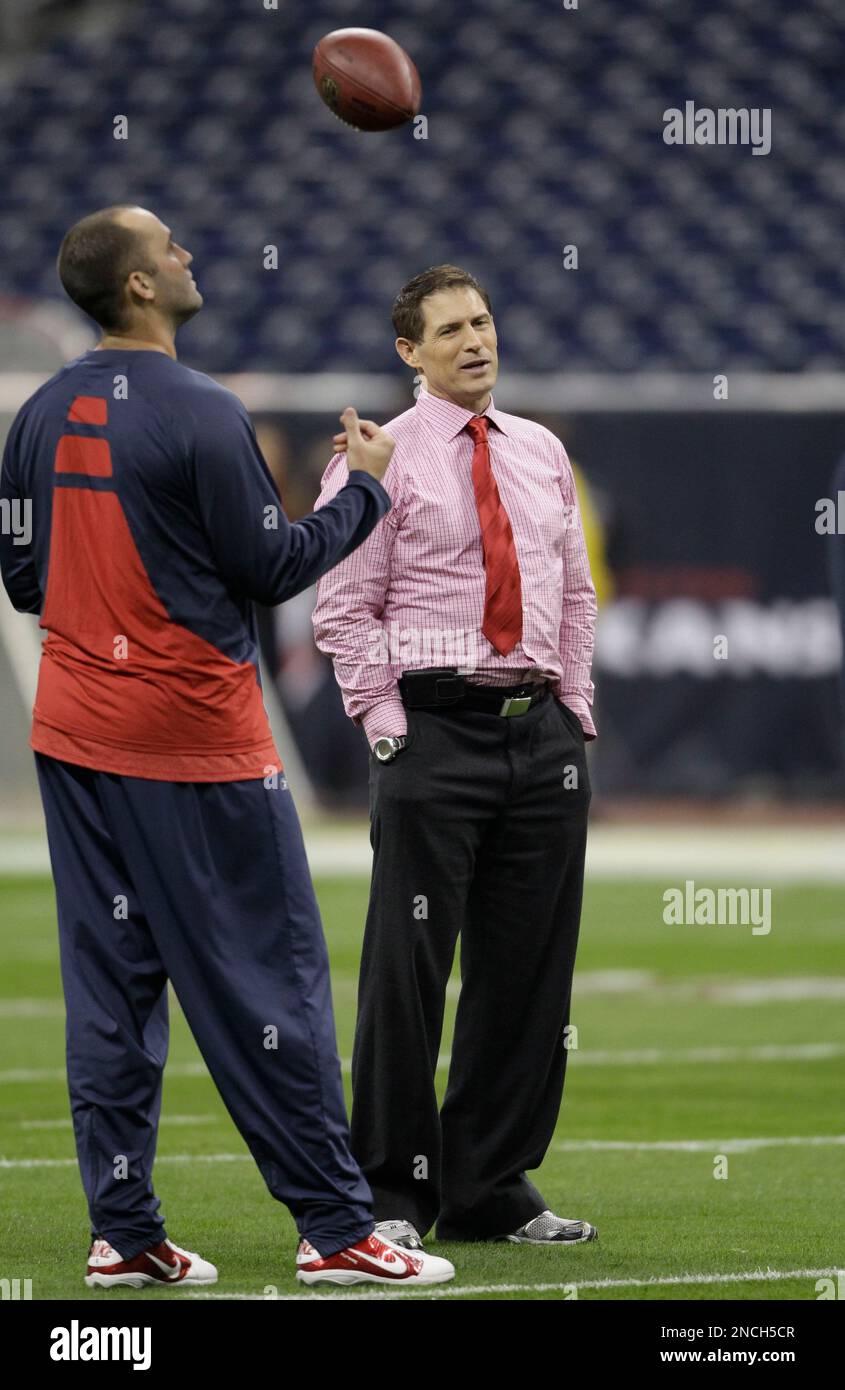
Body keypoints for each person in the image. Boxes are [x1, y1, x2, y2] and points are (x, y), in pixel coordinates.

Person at [0, 205, 454, 1289]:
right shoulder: (204, 411)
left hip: (72, 733)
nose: (188, 253)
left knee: (111, 990)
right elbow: (272, 567)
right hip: (194, 740)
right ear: (141, 287)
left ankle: (124, 1232)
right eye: (169, 246)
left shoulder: (33, 414)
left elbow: (23, 580)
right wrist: (370, 486)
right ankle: (337, 1229)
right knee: (272, 982)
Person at [312, 264, 598, 1249]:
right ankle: (390, 1191)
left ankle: (490, 1186)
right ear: (408, 353)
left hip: (541, 732)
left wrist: (576, 709)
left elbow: (573, 591)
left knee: (527, 975)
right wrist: (387, 726)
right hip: (432, 730)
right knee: (407, 966)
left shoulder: (540, 449)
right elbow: (343, 607)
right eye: (448, 331)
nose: (474, 340)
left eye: (481, 321)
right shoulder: (379, 455)